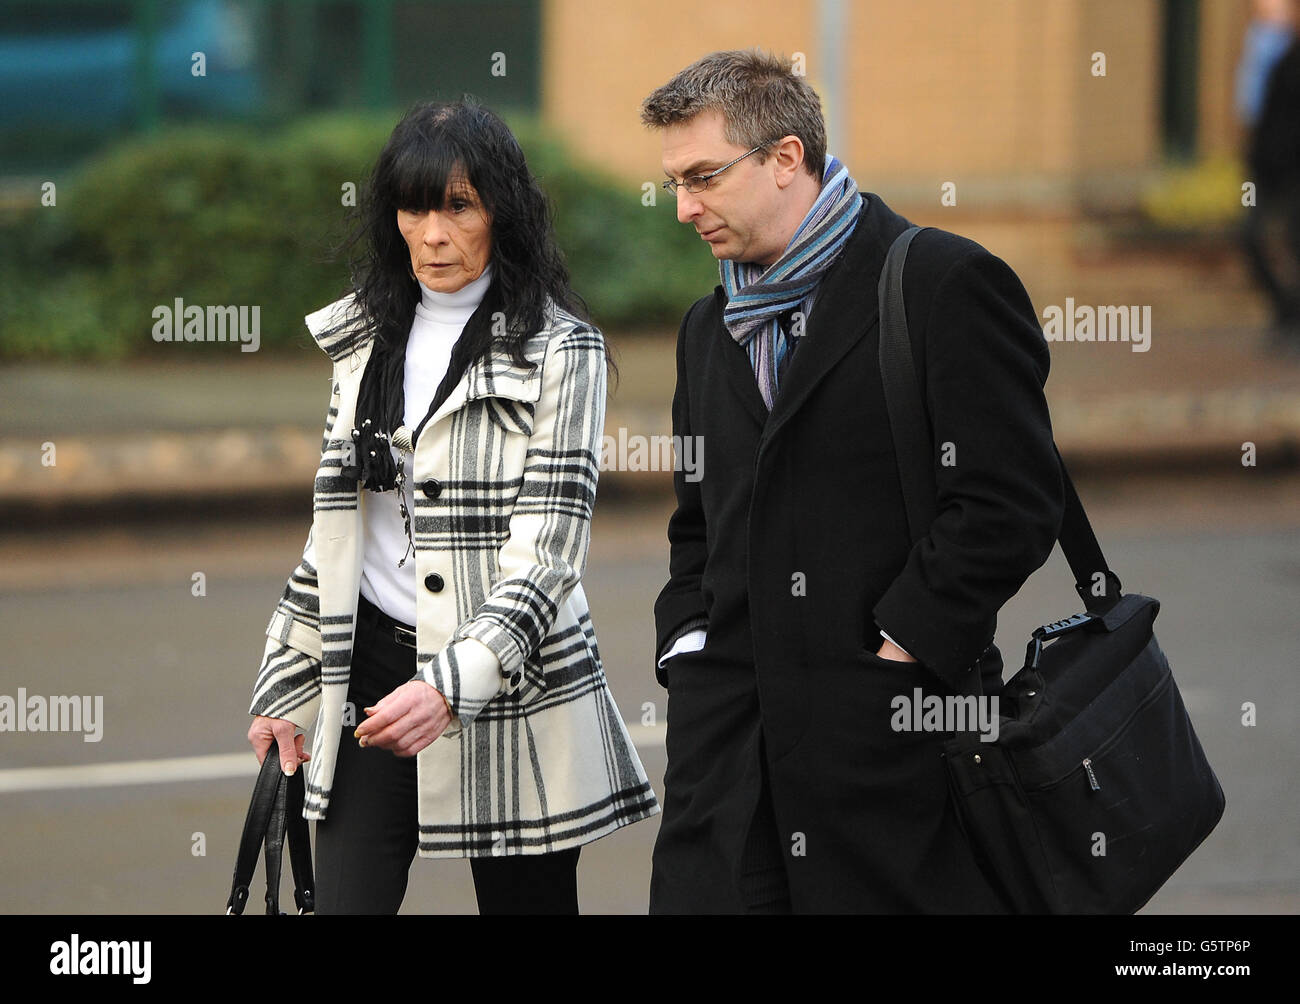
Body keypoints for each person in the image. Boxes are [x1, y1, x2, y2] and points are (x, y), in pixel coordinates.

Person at [641, 49, 1064, 913]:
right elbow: (698, 522)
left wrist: (899, 648)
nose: (683, 209)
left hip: (892, 750)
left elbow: (1010, 503)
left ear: (786, 158)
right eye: (674, 184)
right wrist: (687, 646)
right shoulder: (704, 326)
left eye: (703, 178)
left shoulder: (941, 281)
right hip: (725, 763)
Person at [245, 99, 658, 915]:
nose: (432, 232)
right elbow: (334, 539)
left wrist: (448, 685)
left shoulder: (561, 350)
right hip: (370, 677)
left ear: (502, 212)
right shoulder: (362, 338)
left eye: (458, 206)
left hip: (511, 681)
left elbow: (548, 558)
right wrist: (285, 685)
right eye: (414, 207)